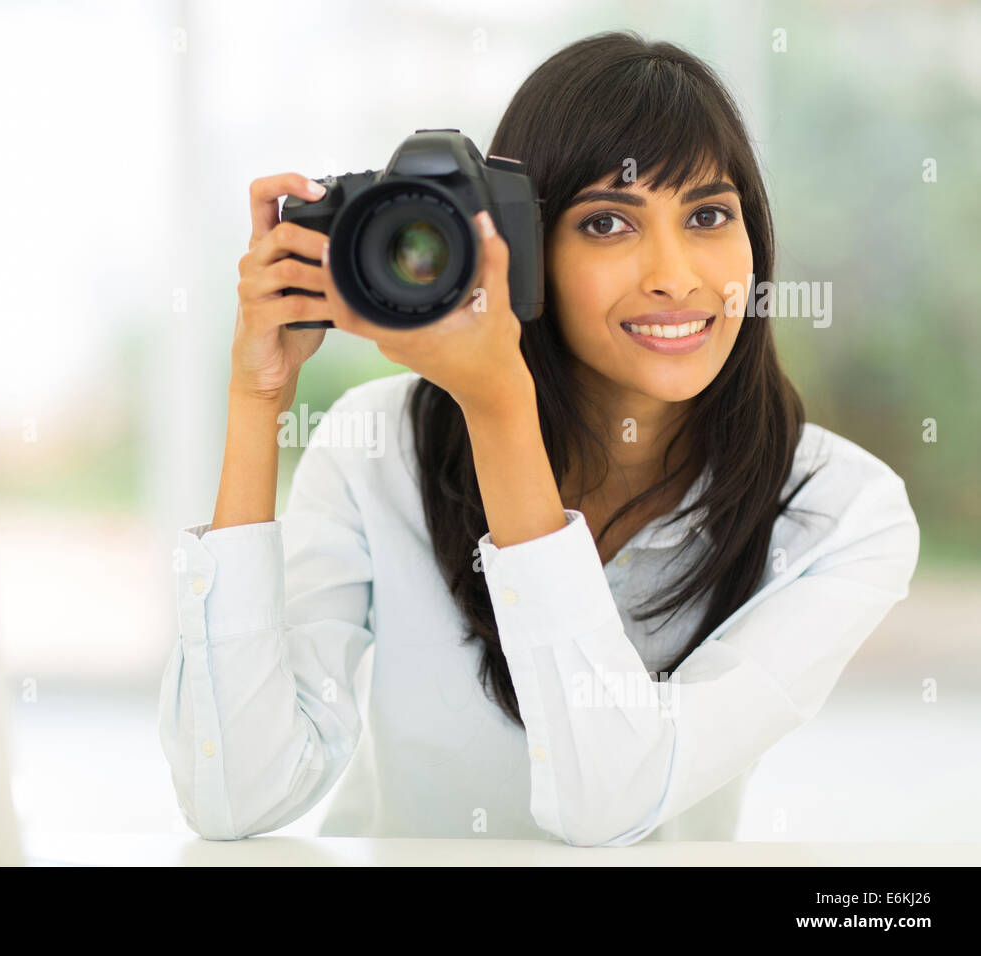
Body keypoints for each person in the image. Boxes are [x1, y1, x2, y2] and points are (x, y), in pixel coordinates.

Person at [157, 30, 920, 846]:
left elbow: (610, 803)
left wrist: (498, 408)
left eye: (706, 215)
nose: (674, 274)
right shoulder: (375, 447)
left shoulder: (840, 515)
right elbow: (236, 798)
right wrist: (256, 396)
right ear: (522, 252)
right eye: (607, 225)